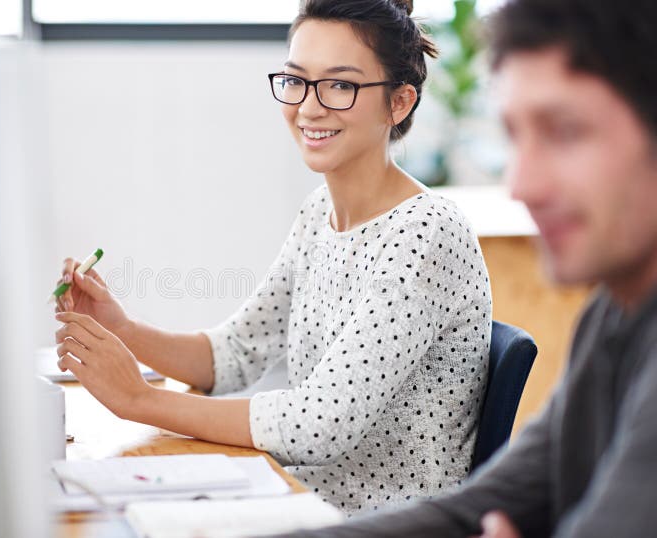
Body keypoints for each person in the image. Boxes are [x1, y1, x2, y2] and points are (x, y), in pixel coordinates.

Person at [53, 0, 492, 515]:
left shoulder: (427, 234)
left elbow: (318, 425)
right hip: (302, 501)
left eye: (340, 85)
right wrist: (123, 329)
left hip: (380, 524)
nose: (309, 107)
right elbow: (237, 353)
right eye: (296, 80)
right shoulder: (320, 212)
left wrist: (140, 400)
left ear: (399, 103)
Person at [270, 0, 657, 535]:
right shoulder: (613, 317)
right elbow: (478, 506)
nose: (523, 183)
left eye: (565, 132)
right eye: (515, 136)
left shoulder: (423, 228)